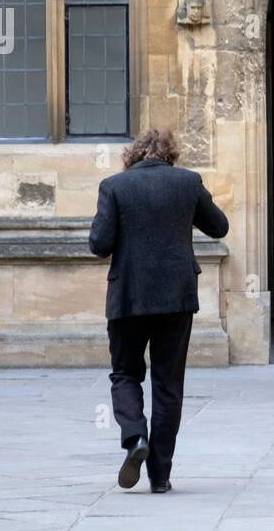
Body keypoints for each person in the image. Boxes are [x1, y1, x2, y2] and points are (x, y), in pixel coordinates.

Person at [89, 128, 229, 494]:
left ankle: (135, 437)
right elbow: (219, 226)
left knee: (124, 373)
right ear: (170, 155)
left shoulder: (114, 186)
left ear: (132, 156)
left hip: (128, 296)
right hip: (175, 296)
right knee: (168, 385)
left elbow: (98, 244)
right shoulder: (187, 182)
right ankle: (160, 475)